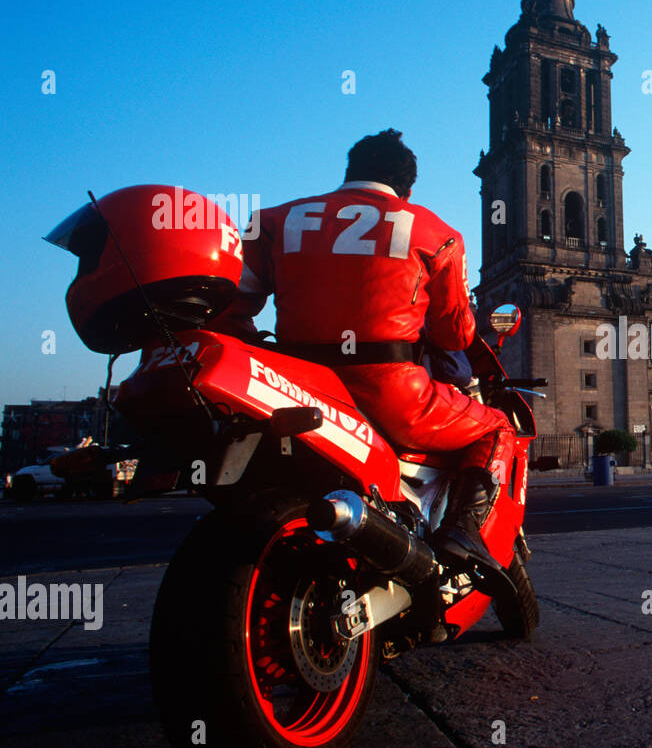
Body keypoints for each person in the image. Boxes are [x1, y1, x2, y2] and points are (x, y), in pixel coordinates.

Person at [210, 129, 514, 597]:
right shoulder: (435, 232)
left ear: (350, 172)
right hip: (393, 394)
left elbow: (233, 305)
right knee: (496, 428)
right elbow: (455, 335)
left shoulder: (274, 219)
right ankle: (463, 531)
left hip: (295, 386)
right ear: (406, 188)